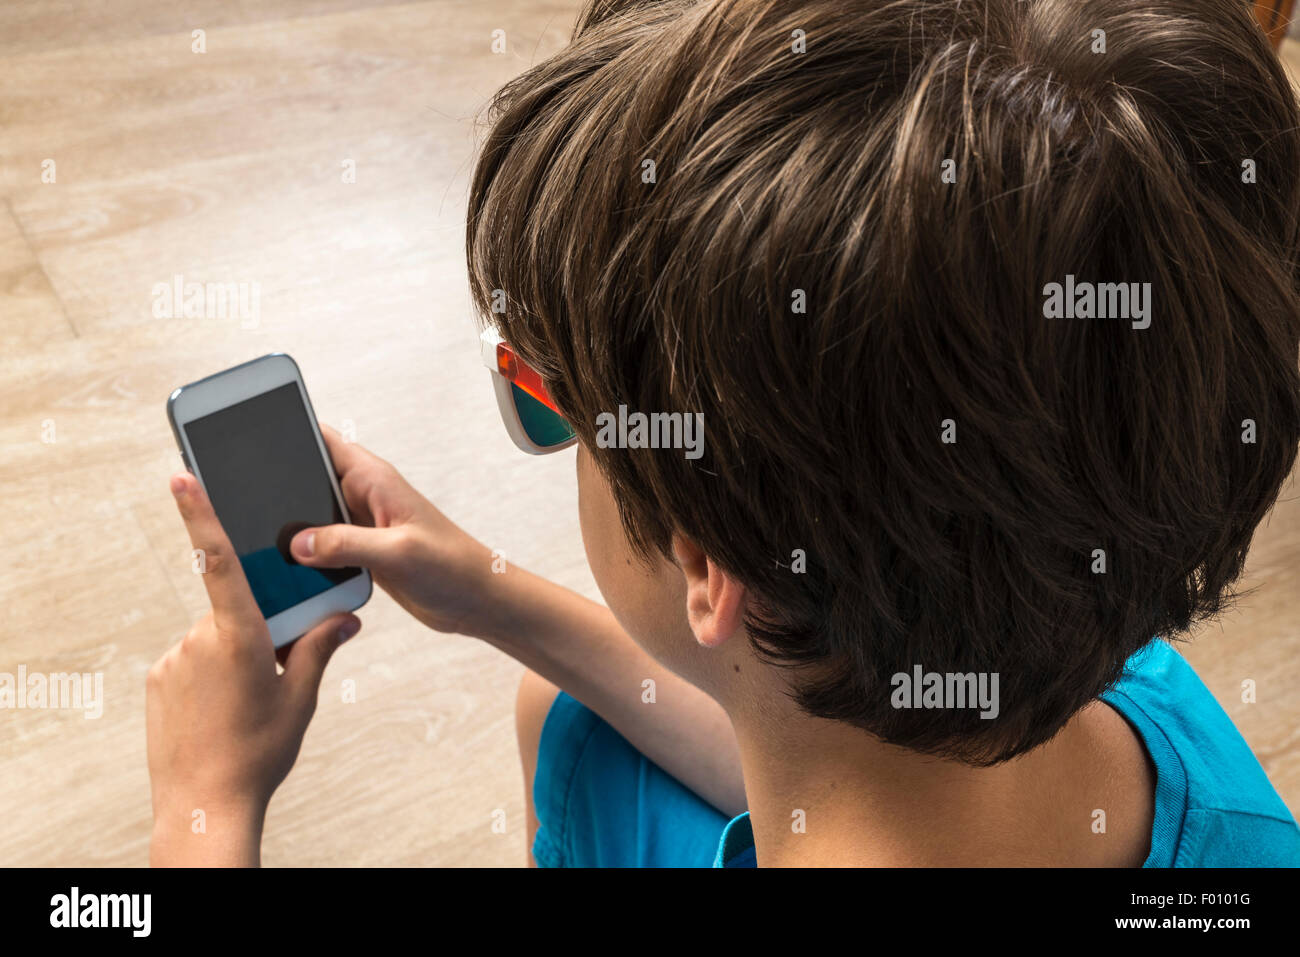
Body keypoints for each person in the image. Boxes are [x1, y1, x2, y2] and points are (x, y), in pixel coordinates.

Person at [146, 0, 1300, 866]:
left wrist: (206, 804)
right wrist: (489, 595)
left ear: (708, 562)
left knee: (574, 735)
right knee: (568, 705)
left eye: (559, 405)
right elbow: (861, 770)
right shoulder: (1125, 672)